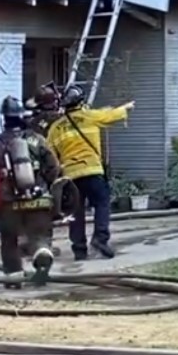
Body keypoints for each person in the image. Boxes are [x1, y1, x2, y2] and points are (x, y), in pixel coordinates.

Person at [0, 96, 64, 288]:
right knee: (39, 236)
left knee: (9, 240)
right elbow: (54, 168)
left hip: (9, 204)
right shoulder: (37, 139)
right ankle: (41, 257)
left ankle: (14, 278)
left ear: (3, 119)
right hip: (39, 200)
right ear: (23, 116)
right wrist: (43, 185)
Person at [44, 84, 134, 261]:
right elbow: (111, 115)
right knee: (102, 204)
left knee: (75, 213)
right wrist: (126, 107)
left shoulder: (55, 128)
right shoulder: (90, 117)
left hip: (70, 176)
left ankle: (79, 249)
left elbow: (50, 156)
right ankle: (100, 239)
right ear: (81, 101)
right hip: (92, 171)